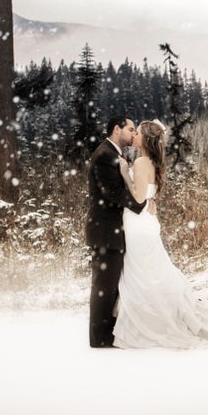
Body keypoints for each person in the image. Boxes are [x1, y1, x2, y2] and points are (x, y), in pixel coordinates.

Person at [112, 119, 208, 349]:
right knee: (151, 273)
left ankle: (150, 322)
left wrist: (124, 173)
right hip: (148, 222)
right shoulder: (153, 162)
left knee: (142, 274)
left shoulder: (139, 162)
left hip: (138, 224)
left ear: (145, 139)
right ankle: (160, 315)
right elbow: (149, 194)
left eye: (137, 133)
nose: (133, 135)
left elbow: (137, 198)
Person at [86, 116, 148, 348]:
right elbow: (112, 192)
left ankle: (108, 334)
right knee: (104, 285)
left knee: (111, 285)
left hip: (111, 230)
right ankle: (100, 339)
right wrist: (140, 204)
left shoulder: (113, 154)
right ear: (116, 129)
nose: (133, 134)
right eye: (130, 129)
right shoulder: (105, 155)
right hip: (105, 231)